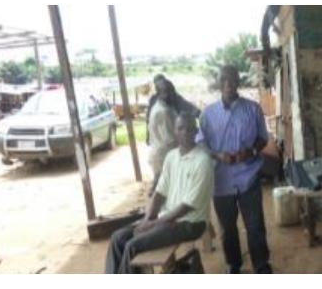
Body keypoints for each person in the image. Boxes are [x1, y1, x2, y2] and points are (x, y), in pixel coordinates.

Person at [106, 111, 214, 274]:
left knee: (132, 246)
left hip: (190, 223)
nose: (185, 132)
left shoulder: (203, 161)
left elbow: (186, 207)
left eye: (189, 129)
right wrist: (148, 218)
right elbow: (160, 192)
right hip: (167, 218)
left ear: (196, 132)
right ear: (175, 132)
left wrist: (153, 224)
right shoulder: (171, 157)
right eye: (180, 128)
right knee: (117, 238)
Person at [198, 66, 272, 274]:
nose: (228, 84)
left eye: (232, 80)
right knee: (227, 229)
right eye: (224, 80)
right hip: (221, 182)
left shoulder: (253, 109)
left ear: (238, 81)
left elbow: (263, 139)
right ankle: (234, 265)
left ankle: (261, 264)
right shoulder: (208, 115)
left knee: (255, 225)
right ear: (219, 83)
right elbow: (201, 144)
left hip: (249, 177)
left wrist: (249, 152)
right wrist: (217, 155)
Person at [146, 75, 199, 193]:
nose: (171, 94)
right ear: (159, 94)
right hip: (164, 156)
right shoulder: (163, 112)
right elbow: (171, 140)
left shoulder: (165, 106)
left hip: (163, 154)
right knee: (170, 191)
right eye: (166, 92)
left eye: (172, 91)